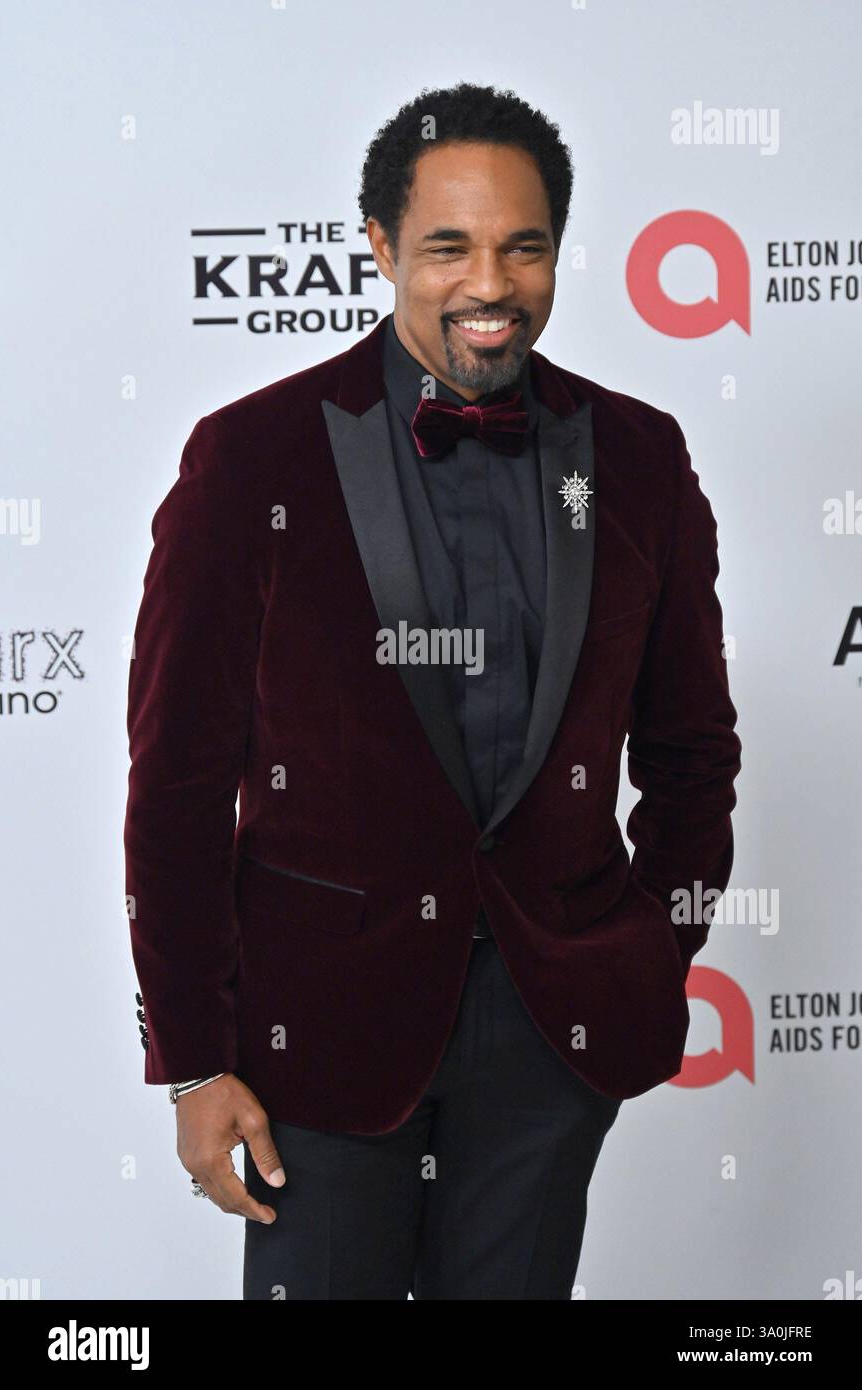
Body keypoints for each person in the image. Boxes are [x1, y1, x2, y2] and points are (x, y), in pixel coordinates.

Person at [124, 81, 742, 1300]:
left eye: (523, 246)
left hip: (547, 1032)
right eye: (448, 245)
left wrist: (648, 953)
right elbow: (180, 785)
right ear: (381, 248)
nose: (490, 283)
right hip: (322, 1028)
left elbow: (691, 754)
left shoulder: (640, 456)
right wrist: (195, 1064)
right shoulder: (253, 456)